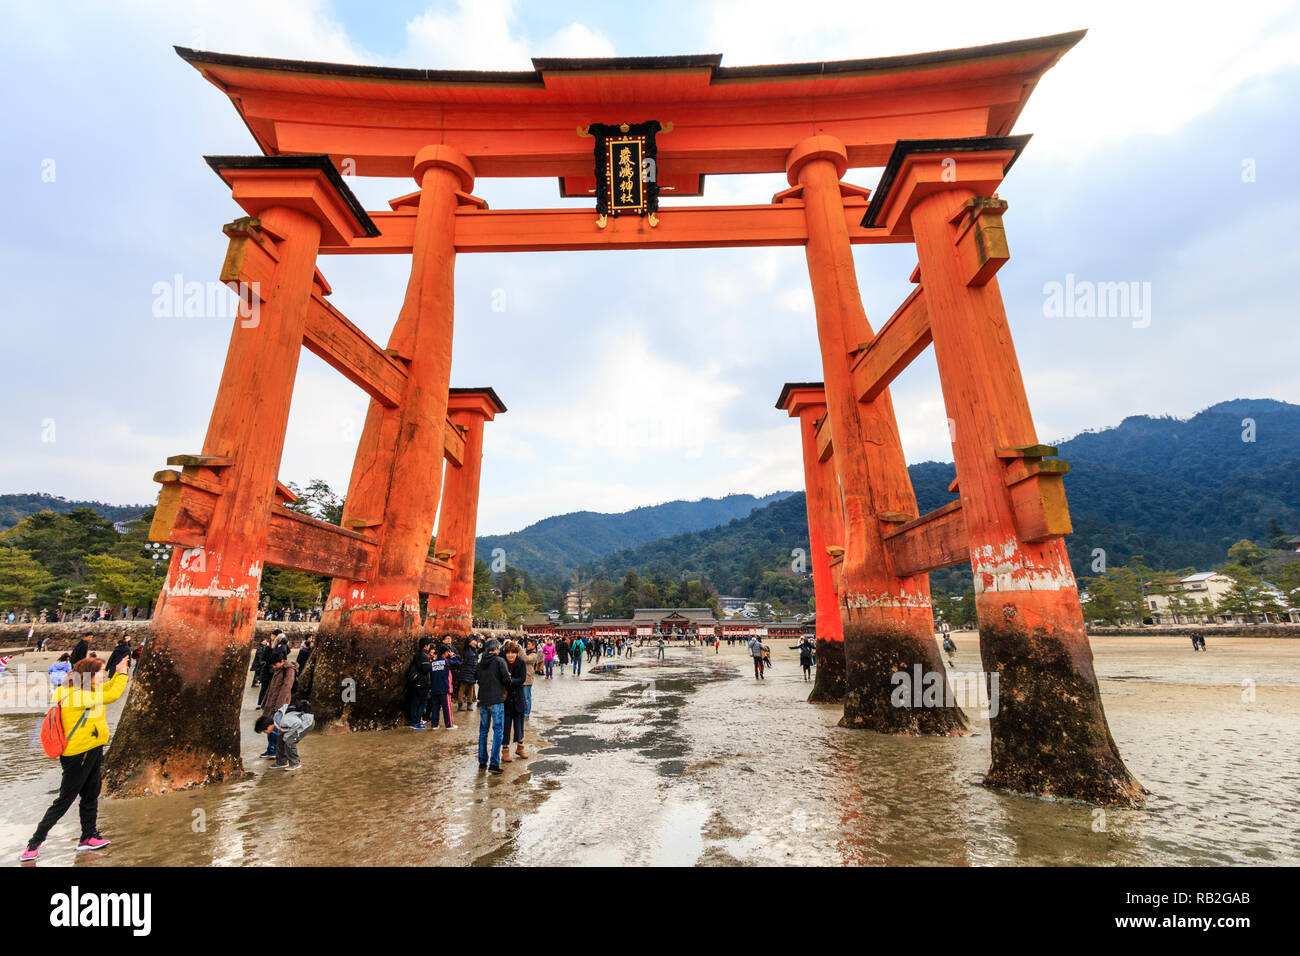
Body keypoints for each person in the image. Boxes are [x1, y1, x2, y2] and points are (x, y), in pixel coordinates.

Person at [20, 655, 130, 861]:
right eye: (101, 671)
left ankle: (88, 837)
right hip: (78, 754)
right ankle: (33, 843)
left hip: (93, 749)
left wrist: (118, 671)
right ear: (89, 675)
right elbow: (112, 695)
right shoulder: (75, 696)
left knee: (90, 795)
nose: (104, 675)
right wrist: (123, 675)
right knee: (64, 800)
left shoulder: (85, 690)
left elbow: (107, 689)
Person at [475, 639, 511, 774]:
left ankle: (482, 761)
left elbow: (476, 678)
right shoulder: (500, 661)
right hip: (496, 699)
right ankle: (494, 763)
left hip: (483, 700)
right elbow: (507, 680)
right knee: (498, 731)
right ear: (496, 649)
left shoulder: (480, 662)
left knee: (483, 731)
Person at [255, 699, 314, 771]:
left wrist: (287, 735)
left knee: (289, 742)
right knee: (280, 740)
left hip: (306, 724)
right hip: (296, 724)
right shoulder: (276, 720)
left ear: (268, 726)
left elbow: (297, 723)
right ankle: (281, 762)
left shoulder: (283, 721)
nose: (265, 732)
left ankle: (295, 763)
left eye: (264, 731)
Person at [500, 641, 529, 762]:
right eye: (508, 653)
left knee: (519, 724)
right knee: (505, 725)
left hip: (518, 697)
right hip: (506, 699)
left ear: (517, 653)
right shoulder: (501, 662)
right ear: (505, 653)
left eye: (513, 653)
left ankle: (520, 747)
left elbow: (522, 679)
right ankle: (505, 750)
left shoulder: (521, 662)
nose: (511, 655)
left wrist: (510, 680)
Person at [427, 641, 458, 729]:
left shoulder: (433, 663)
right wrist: (453, 655)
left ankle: (434, 725)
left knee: (435, 708)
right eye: (448, 652)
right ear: (445, 653)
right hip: (444, 688)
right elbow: (457, 663)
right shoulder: (446, 661)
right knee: (447, 708)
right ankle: (449, 725)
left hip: (434, 688)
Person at [407, 637, 434, 729]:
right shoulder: (423, 656)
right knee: (421, 703)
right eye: (429, 645)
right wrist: (431, 663)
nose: (429, 647)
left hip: (416, 683)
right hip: (422, 683)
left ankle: (414, 721)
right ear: (426, 646)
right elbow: (426, 669)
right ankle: (417, 722)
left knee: (415, 702)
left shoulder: (417, 655)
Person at [456, 635, 480, 712]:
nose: (474, 642)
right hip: (465, 671)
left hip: (473, 671)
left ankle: (469, 705)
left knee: (471, 689)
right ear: (469, 642)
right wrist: (471, 636)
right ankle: (460, 705)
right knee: (462, 688)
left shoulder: (476, 650)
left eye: (475, 641)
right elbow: (467, 641)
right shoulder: (466, 649)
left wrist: (479, 639)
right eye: (472, 641)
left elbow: (483, 648)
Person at [523, 641, 539, 718]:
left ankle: (526, 713)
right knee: (523, 697)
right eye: (527, 644)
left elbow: (526, 659)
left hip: (528, 677)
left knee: (527, 697)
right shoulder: (525, 652)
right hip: (522, 677)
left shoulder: (534, 654)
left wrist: (519, 650)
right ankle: (523, 712)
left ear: (533, 645)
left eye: (529, 644)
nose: (527, 645)